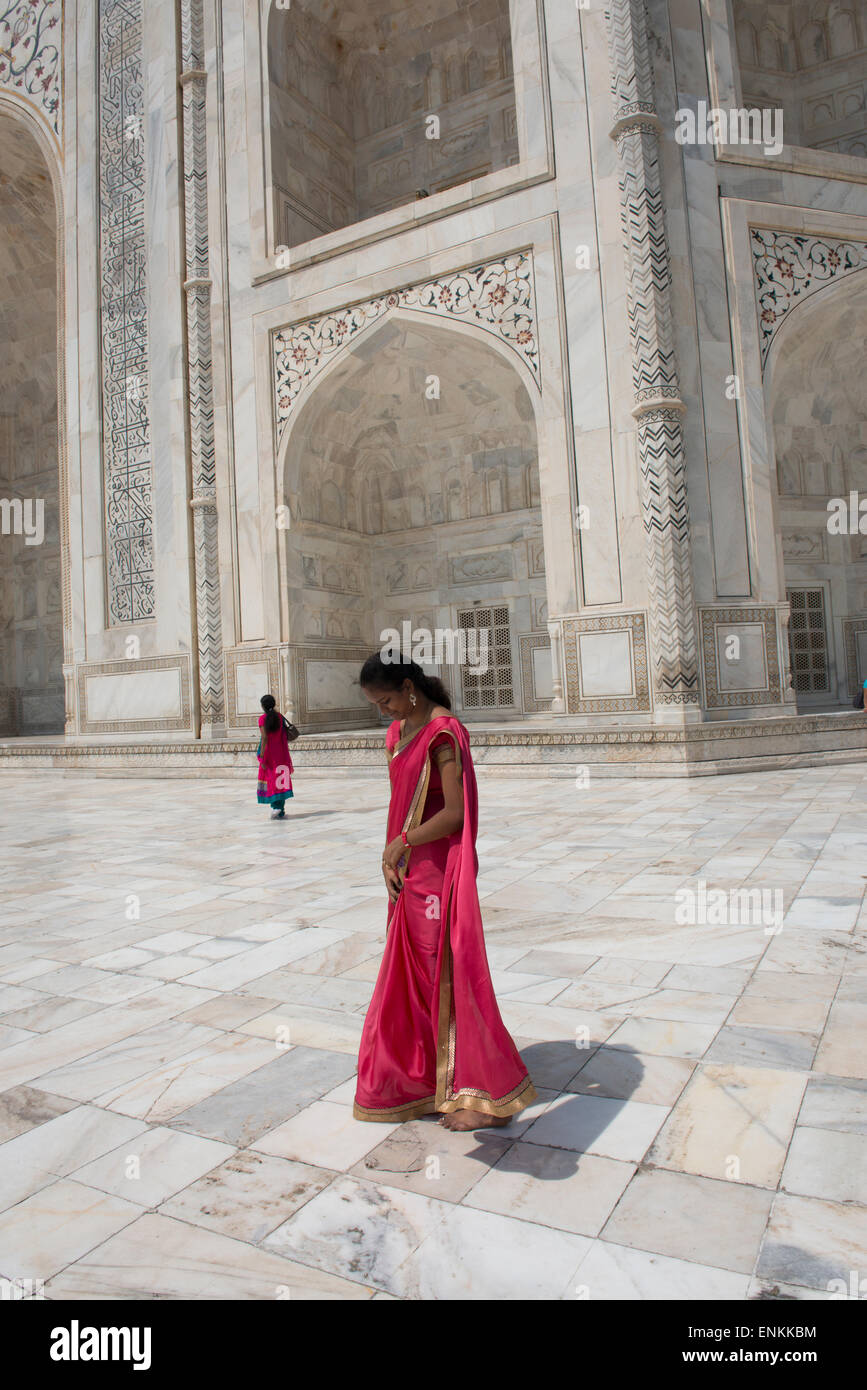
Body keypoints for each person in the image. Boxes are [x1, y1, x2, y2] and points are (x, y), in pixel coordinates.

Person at [353, 652, 537, 1131]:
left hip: (438, 869)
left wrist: (403, 843)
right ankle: (426, 1081)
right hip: (408, 872)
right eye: (376, 703)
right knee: (412, 977)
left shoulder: (442, 733)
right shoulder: (398, 734)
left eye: (387, 700)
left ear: (410, 686)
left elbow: (454, 814)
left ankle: (479, 1094)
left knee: (446, 975)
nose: (384, 711)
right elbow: (401, 805)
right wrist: (390, 857)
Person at [257, 694, 293, 819]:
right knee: (281, 780)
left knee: (271, 779)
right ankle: (281, 809)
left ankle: (276, 807)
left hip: (270, 755)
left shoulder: (262, 719)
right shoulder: (279, 717)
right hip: (281, 753)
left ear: (263, 706)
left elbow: (265, 738)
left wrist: (262, 756)